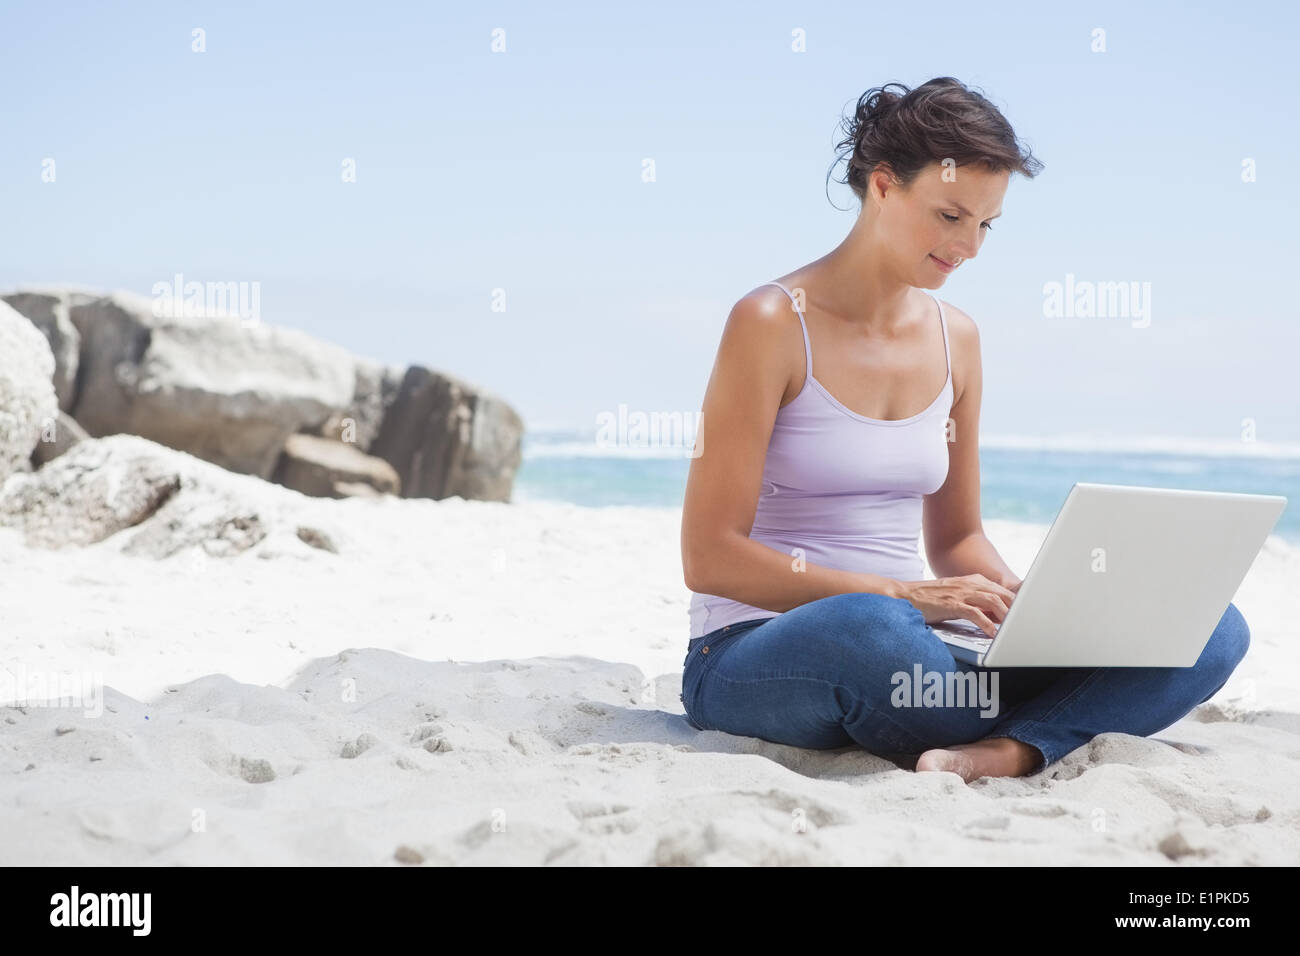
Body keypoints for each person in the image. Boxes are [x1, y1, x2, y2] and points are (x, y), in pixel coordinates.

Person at [678, 77, 1250, 781]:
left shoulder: (959, 339)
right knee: (871, 631)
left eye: (986, 224)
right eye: (950, 215)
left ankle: (1006, 749)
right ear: (883, 186)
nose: (970, 246)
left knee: (1210, 625)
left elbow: (955, 541)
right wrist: (903, 595)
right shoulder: (770, 322)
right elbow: (710, 557)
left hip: (920, 647)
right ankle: (1064, 720)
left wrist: (1030, 611)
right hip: (761, 649)